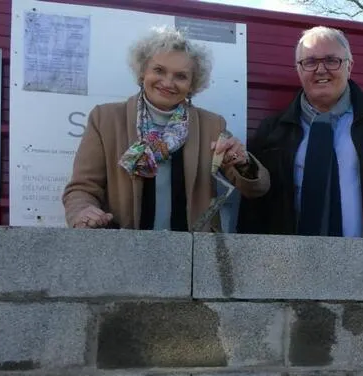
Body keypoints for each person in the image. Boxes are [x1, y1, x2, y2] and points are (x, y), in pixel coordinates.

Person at [237, 26, 363, 240]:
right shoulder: (272, 131)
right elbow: (254, 209)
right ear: (299, 69)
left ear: (349, 66)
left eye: (332, 60)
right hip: (292, 266)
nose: (321, 70)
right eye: (310, 62)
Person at [63, 26, 269, 231]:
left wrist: (242, 162)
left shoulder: (212, 125)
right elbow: (82, 189)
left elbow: (256, 189)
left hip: (194, 253)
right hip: (124, 249)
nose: (168, 82)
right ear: (143, 72)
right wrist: (83, 211)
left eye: (181, 76)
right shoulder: (105, 119)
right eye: (159, 70)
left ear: (192, 84)